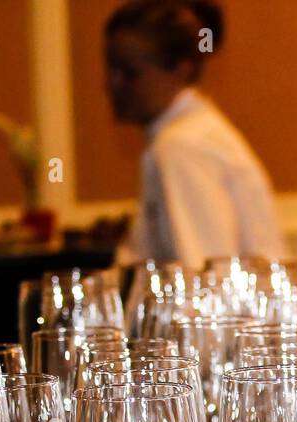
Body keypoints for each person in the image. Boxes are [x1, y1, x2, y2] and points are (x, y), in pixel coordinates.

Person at [104, 0, 286, 268]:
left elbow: (206, 274)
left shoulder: (182, 145)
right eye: (110, 68)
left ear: (181, 69)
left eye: (130, 73)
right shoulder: (192, 132)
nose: (111, 84)